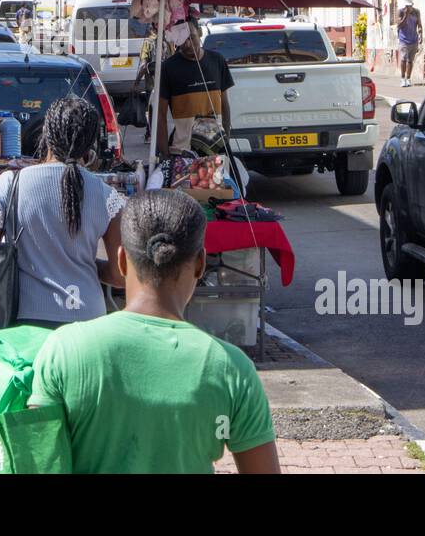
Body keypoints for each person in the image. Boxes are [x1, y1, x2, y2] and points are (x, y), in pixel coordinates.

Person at [29, 189, 279, 474]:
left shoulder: (64, 349)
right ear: (200, 264)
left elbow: (38, 461)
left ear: (121, 261)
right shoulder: (232, 369)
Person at [0, 97, 125, 326]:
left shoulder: (8, 184)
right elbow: (119, 275)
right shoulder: (108, 197)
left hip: (26, 316)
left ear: (47, 133)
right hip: (89, 320)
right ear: (91, 142)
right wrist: (88, 265)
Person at [155, 16, 234, 159]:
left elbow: (225, 104)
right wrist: (165, 154)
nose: (188, 44)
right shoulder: (168, 68)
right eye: (183, 40)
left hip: (216, 150)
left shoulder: (217, 61)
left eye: (191, 37)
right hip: (182, 152)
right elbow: (159, 115)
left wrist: (226, 139)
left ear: (199, 32)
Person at [396, 0, 421, 87]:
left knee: (410, 60)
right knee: (403, 58)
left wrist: (420, 34)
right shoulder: (401, 12)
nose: (409, 8)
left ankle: (408, 78)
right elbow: (399, 25)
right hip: (403, 40)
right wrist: (406, 15)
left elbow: (419, 24)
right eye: (407, 6)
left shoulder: (416, 12)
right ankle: (403, 79)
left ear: (412, 5)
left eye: (410, 6)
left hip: (413, 39)